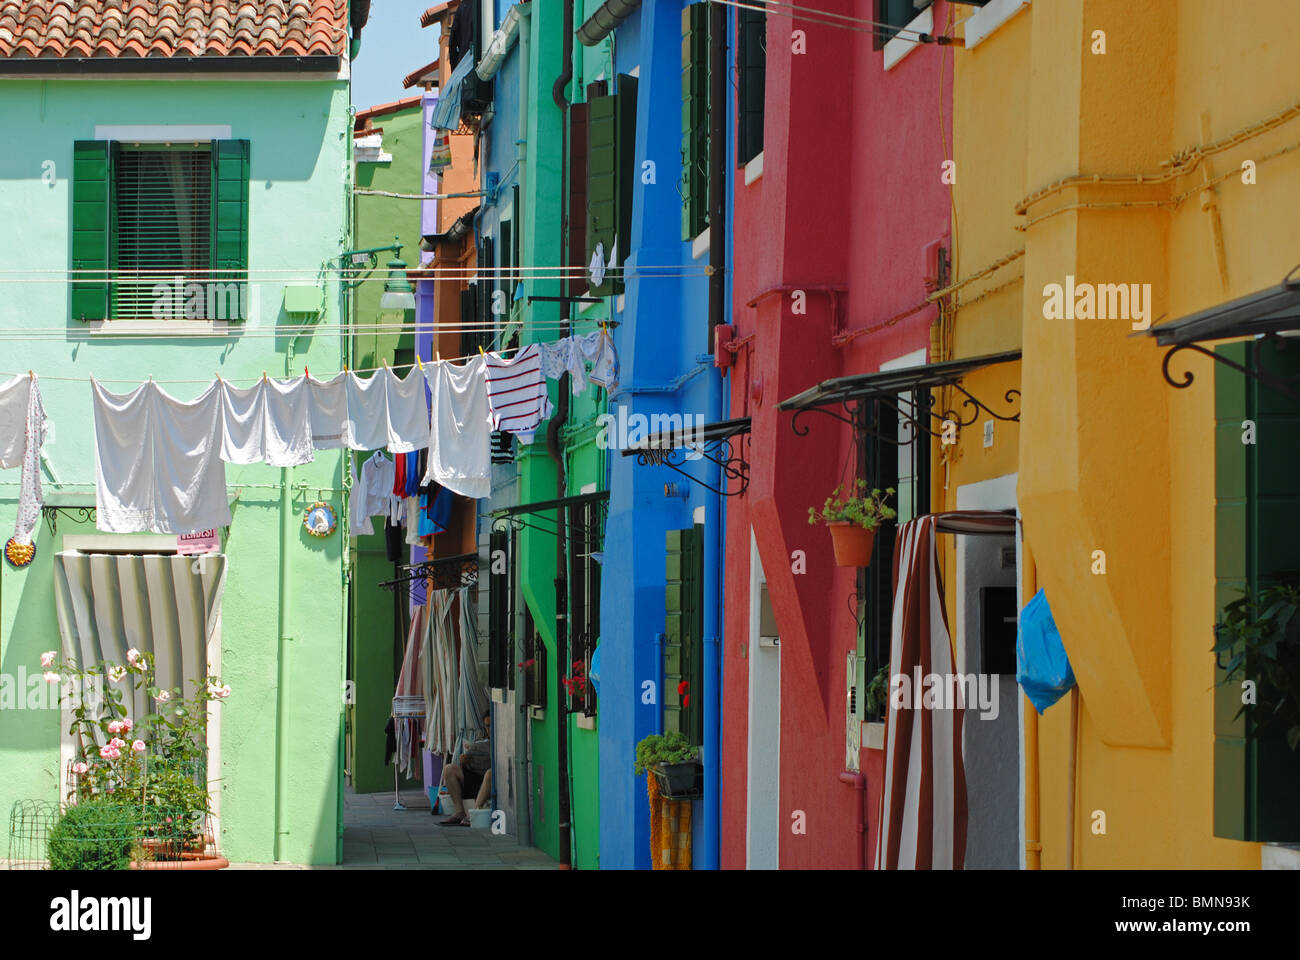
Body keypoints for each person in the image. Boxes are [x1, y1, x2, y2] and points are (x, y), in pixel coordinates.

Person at [440, 710, 492, 826]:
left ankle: (474, 813)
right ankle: (459, 812)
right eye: (487, 726)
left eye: (491, 725)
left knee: (490, 773)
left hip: (491, 779)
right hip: (476, 777)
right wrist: (465, 761)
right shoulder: (481, 742)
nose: (489, 729)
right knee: (449, 769)